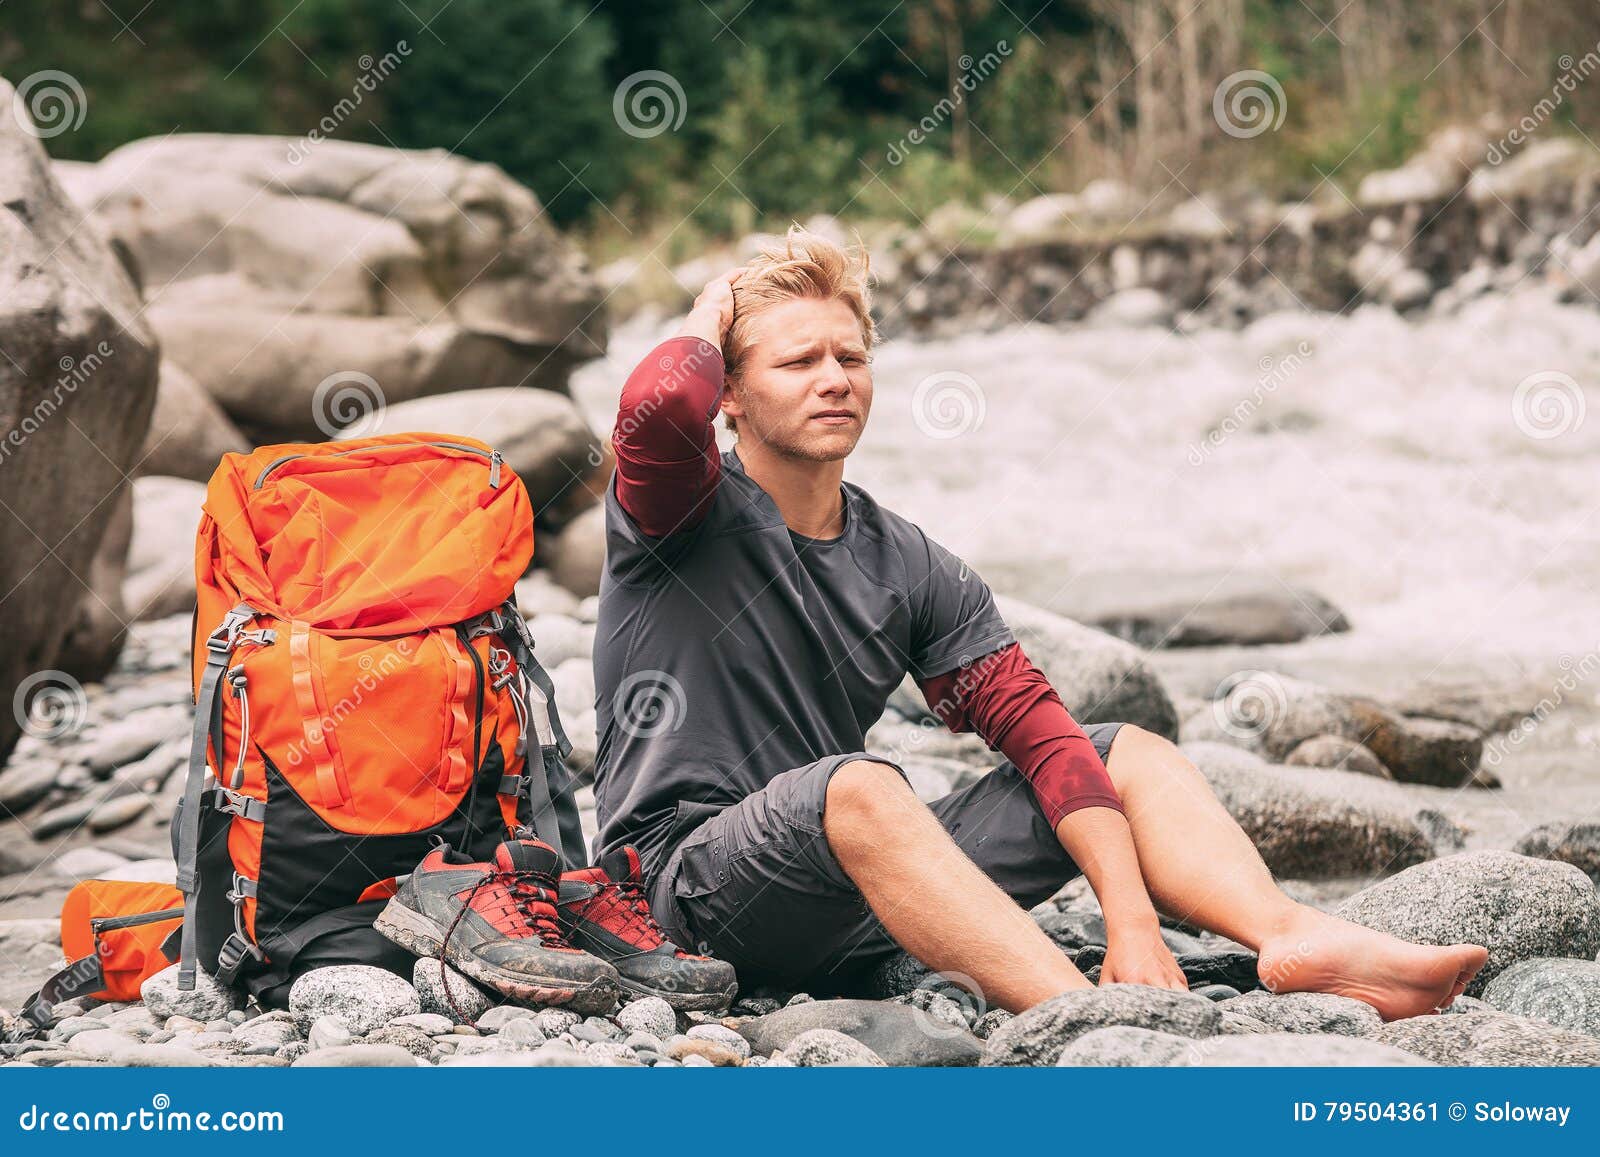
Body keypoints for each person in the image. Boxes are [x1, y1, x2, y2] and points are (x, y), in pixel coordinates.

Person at [591, 226, 1487, 1017]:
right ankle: (1078, 1015)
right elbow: (659, 407)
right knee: (860, 785)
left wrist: (1132, 920)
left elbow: (1041, 735)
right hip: (685, 892)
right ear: (733, 397)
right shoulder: (681, 507)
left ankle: (1292, 932)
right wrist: (709, 318)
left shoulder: (908, 561)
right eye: (798, 362)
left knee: (1118, 750)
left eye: (851, 358)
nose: (834, 380)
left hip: (860, 895)